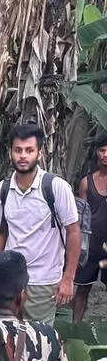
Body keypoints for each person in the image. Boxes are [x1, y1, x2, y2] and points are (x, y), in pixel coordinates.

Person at [0, 124, 81, 326]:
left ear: (39, 153)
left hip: (43, 281)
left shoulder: (56, 187)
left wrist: (68, 278)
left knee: (38, 342)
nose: (23, 156)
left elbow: (73, 232)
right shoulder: (3, 189)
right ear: (10, 153)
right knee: (7, 338)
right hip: (10, 279)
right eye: (18, 150)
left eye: (29, 150)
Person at [74, 135, 107, 321]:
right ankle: (75, 330)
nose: (105, 154)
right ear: (96, 153)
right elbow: (81, 219)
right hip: (91, 246)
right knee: (82, 289)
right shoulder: (87, 182)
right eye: (102, 150)